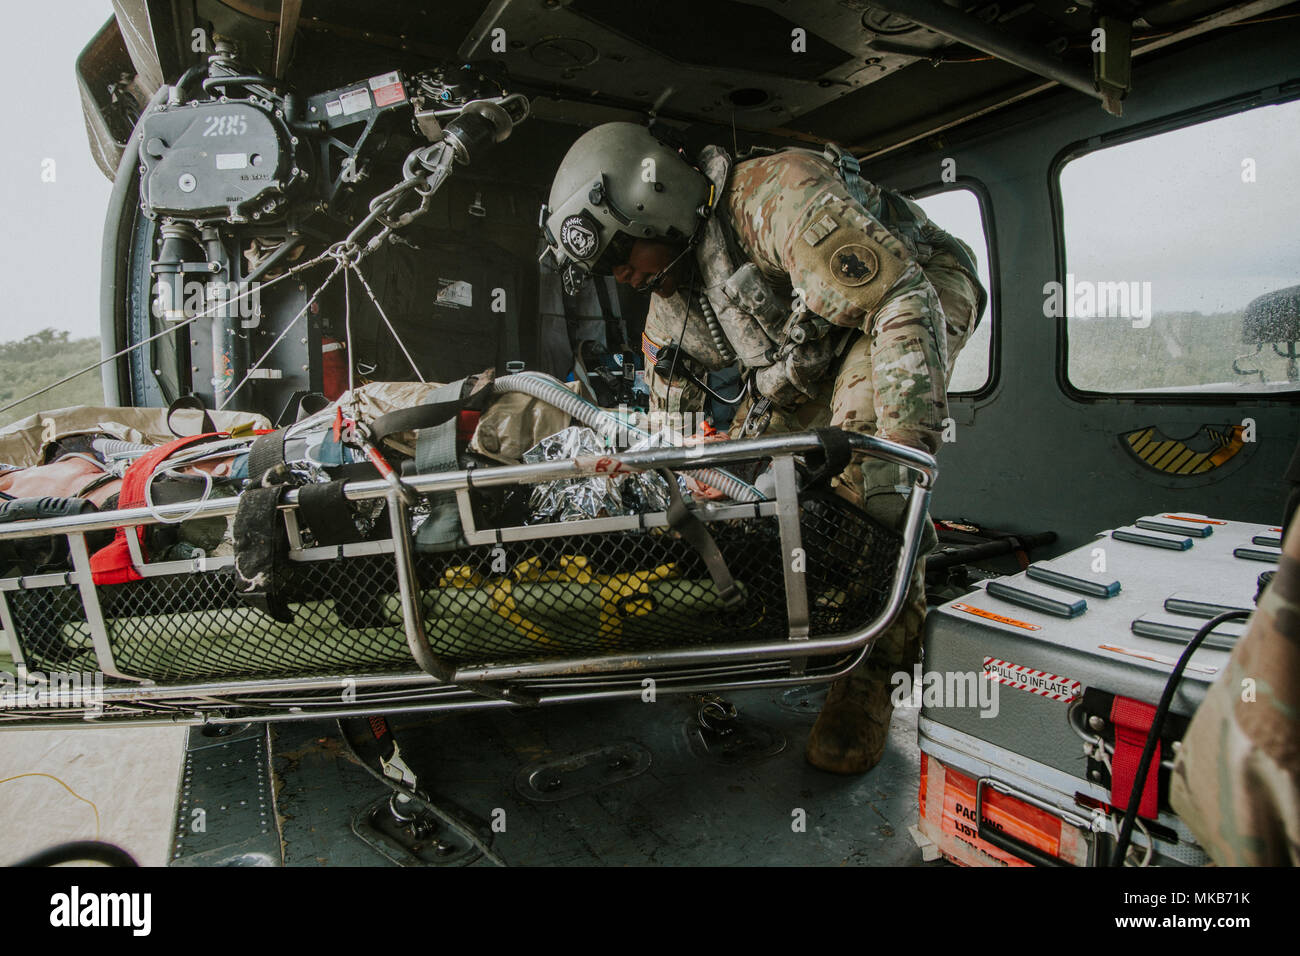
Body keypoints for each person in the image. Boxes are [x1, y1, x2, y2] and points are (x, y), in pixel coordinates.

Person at [541, 123, 986, 773]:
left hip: (912, 287)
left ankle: (870, 681)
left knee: (870, 481)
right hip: (808, 354)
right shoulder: (673, 306)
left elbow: (899, 299)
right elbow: (672, 437)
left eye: (619, 256)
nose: (622, 278)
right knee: (745, 476)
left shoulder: (776, 196)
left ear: (653, 205)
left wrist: (904, 456)